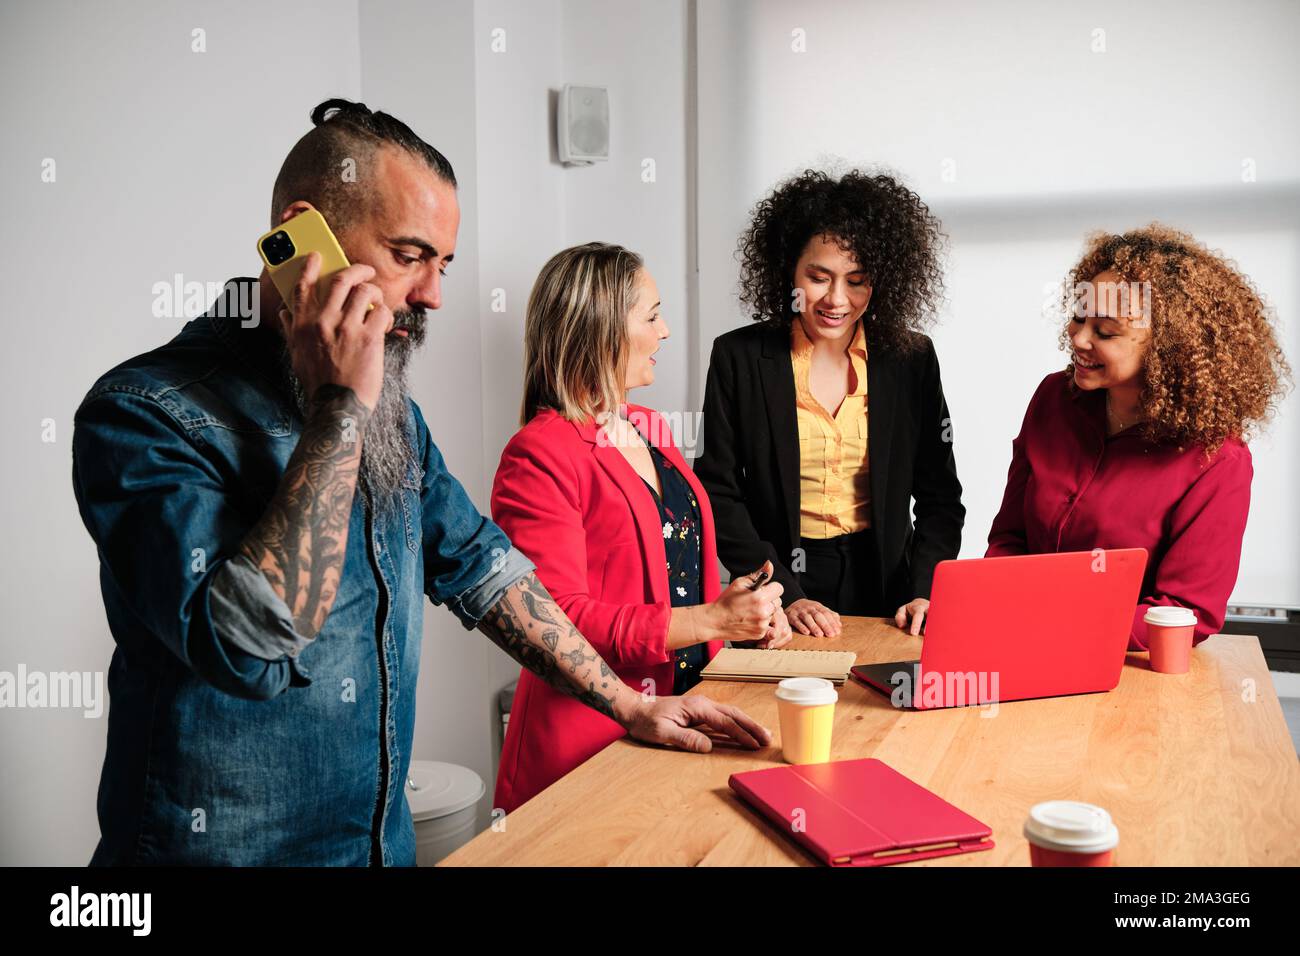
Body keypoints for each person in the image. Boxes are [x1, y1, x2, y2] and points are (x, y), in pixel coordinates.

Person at [71, 99, 770, 866]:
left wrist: (633, 705)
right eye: (410, 256)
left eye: (443, 264)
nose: (434, 295)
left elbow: (486, 571)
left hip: (379, 849)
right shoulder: (144, 413)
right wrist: (338, 407)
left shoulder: (394, 415)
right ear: (303, 241)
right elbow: (247, 650)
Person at [490, 242, 790, 814]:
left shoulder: (649, 426)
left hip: (685, 717)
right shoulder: (538, 454)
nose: (666, 332)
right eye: (651, 317)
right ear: (599, 329)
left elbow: (675, 574)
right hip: (591, 739)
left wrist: (739, 617)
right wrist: (710, 619)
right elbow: (555, 618)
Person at [987, 223, 1291, 649]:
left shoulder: (1216, 459)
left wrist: (1059, 626)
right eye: (1078, 317)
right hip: (1019, 641)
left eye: (1106, 332)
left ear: (1169, 348)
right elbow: (1010, 539)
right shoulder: (1053, 398)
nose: (1079, 337)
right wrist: (991, 604)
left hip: (1124, 669)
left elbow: (1188, 611)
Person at [695, 169, 964, 639]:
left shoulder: (911, 359)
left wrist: (926, 587)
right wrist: (782, 590)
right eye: (818, 278)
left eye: (857, 281)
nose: (837, 300)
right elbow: (718, 491)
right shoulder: (738, 357)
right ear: (787, 270)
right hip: (782, 584)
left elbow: (940, 496)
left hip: (889, 585)